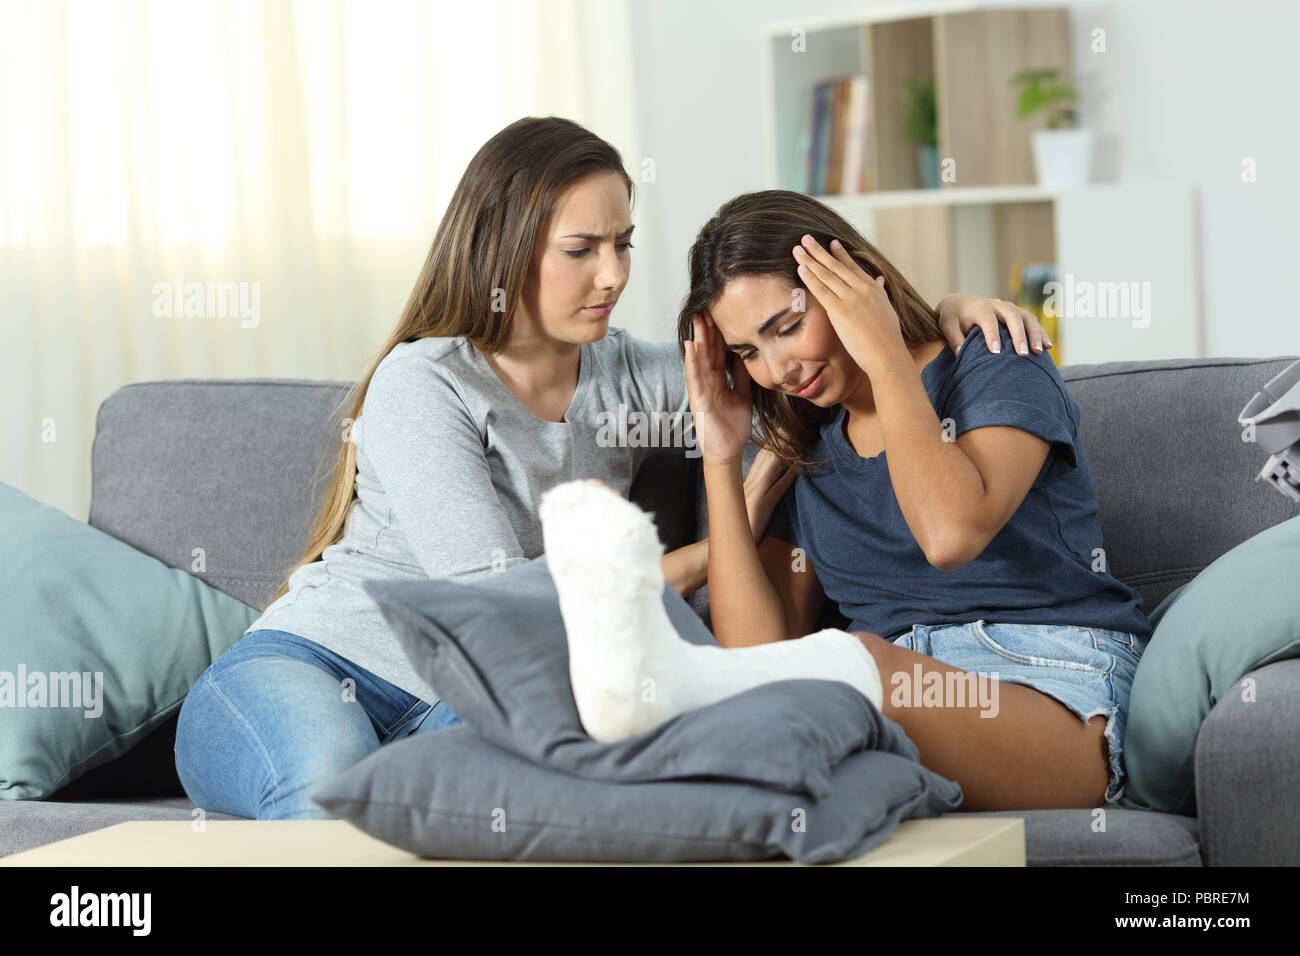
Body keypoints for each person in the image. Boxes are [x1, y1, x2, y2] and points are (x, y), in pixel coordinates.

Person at [174, 117, 1050, 820]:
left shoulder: (630, 373)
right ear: (506, 248)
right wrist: (721, 543)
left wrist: (940, 312)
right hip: (321, 660)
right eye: (582, 249)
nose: (613, 275)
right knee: (329, 791)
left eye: (624, 245)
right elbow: (499, 609)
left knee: (527, 806)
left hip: (474, 702)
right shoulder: (425, 380)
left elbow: (790, 359)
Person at [676, 189, 1153, 811]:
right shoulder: (804, 446)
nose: (778, 369)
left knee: (849, 670)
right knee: (765, 703)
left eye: (787, 327)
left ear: (851, 285)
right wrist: (719, 452)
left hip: (1052, 684)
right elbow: (755, 658)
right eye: (747, 353)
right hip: (883, 703)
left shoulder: (992, 359)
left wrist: (885, 353)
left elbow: (951, 536)